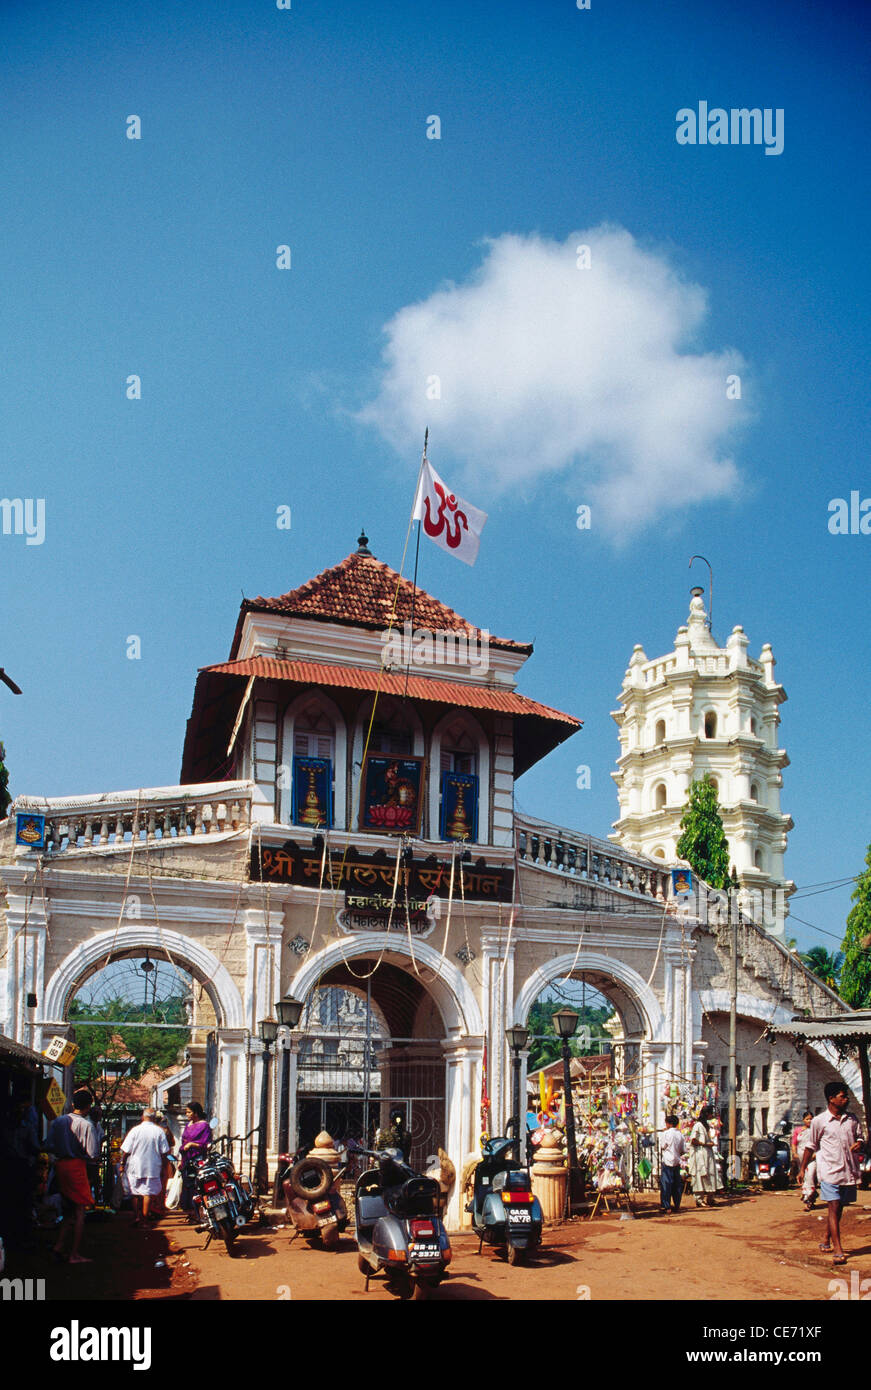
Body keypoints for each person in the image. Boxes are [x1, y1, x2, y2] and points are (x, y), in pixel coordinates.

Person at [799, 1081, 865, 1265]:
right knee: (834, 1207)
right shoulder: (819, 1121)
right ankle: (838, 1249)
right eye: (843, 1096)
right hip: (829, 1171)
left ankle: (826, 1238)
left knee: (839, 1208)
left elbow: (860, 1137)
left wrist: (860, 1143)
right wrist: (802, 1168)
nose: (846, 1099)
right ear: (831, 1098)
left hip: (848, 1171)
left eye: (846, 1096)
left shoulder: (852, 1119)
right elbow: (810, 1146)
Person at [45, 1087, 99, 1264]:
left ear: (73, 1103)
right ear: (89, 1106)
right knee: (79, 1210)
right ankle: (74, 1254)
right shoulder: (87, 1125)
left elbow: (48, 1145)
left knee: (68, 1210)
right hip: (77, 1166)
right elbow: (92, 1154)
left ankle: (59, 1246)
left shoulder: (59, 1121)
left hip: (60, 1165)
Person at [119, 1109, 170, 1226]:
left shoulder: (135, 1130)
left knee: (135, 1192)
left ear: (142, 1117)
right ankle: (144, 1220)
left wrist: (122, 1164)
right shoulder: (159, 1132)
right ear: (153, 1118)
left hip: (135, 1165)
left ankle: (137, 1217)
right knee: (147, 1192)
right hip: (152, 1166)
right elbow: (164, 1152)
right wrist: (164, 1167)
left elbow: (126, 1151)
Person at [178, 1102, 213, 1215]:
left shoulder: (204, 1126)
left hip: (197, 1159)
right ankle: (189, 1211)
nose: (187, 1114)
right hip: (186, 1158)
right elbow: (183, 1141)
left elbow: (205, 1143)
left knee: (195, 1185)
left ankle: (197, 1212)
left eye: (189, 1112)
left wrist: (192, 1144)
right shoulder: (189, 1125)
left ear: (196, 1113)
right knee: (186, 1185)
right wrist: (181, 1160)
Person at [687, 1105, 723, 1208]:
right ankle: (699, 1199)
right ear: (707, 1113)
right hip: (700, 1154)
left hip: (708, 1154)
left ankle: (710, 1198)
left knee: (711, 1173)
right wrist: (706, 1144)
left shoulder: (705, 1124)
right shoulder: (698, 1125)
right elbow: (693, 1140)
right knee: (700, 1175)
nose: (712, 1115)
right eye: (711, 1113)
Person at [659, 1114, 686, 1213]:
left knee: (666, 1184)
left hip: (667, 1161)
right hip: (676, 1161)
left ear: (669, 1124)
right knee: (676, 1185)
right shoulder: (680, 1134)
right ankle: (677, 1204)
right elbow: (683, 1149)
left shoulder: (666, 1134)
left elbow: (663, 1146)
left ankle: (666, 1206)